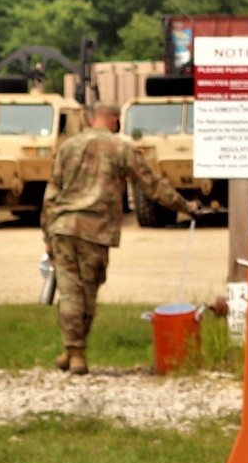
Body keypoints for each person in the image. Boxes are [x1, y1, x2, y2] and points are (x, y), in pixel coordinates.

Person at [40, 103, 200, 374]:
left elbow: (51, 192)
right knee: (86, 293)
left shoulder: (68, 147)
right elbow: (151, 184)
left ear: (91, 119)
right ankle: (77, 352)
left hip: (63, 227)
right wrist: (186, 207)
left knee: (68, 290)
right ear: (114, 120)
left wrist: (47, 233)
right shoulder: (121, 148)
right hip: (95, 231)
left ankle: (71, 349)